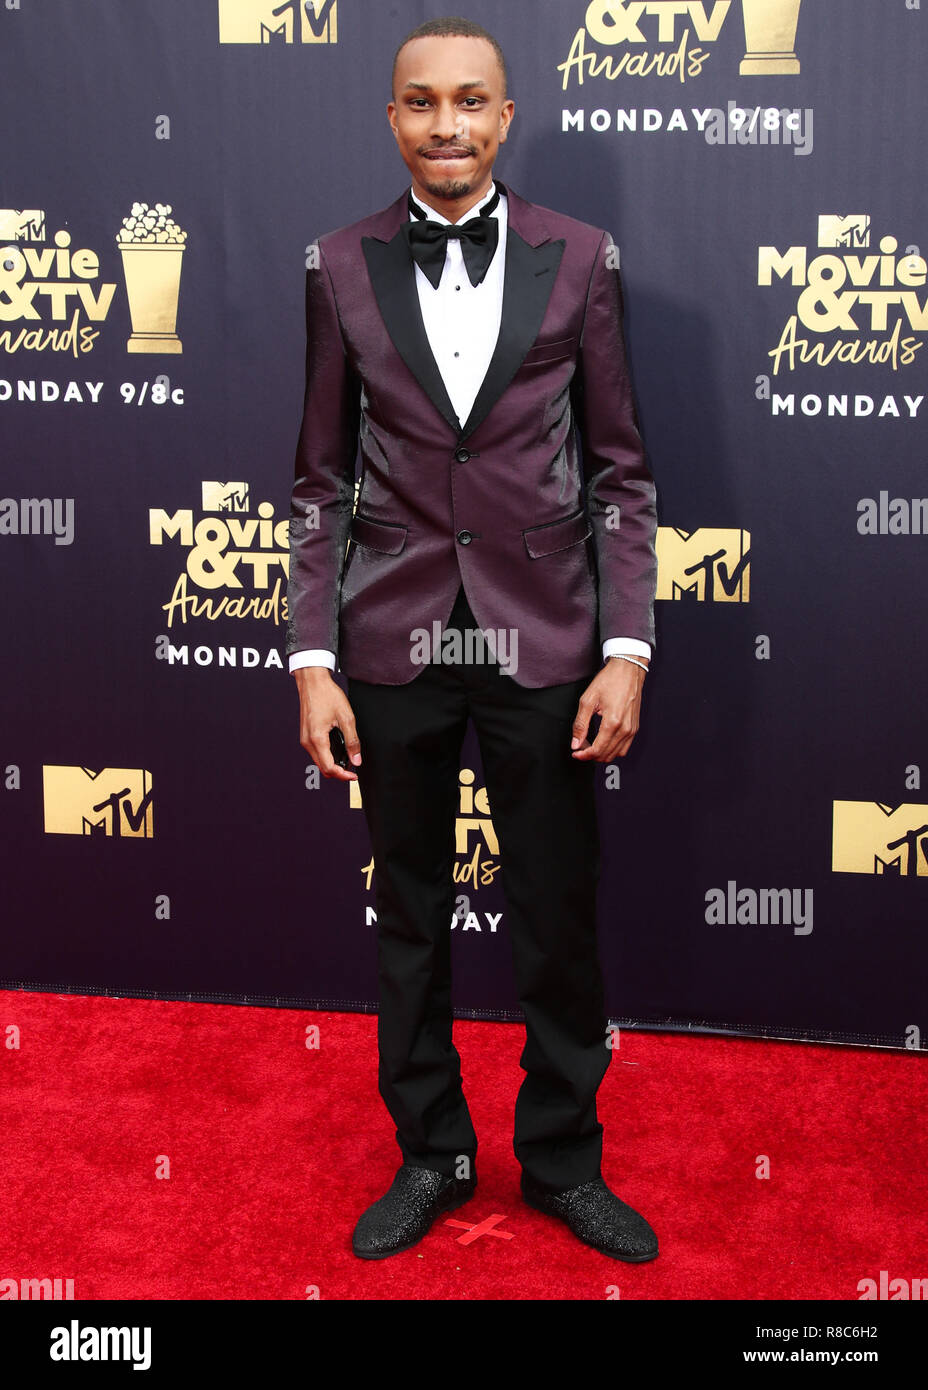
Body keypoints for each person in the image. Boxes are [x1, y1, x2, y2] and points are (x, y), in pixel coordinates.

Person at [286, 16, 659, 1264]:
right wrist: (311, 657)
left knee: (556, 915)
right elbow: (316, 483)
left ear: (507, 116)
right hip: (390, 642)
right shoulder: (337, 264)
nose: (447, 124)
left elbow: (621, 473)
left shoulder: (583, 257)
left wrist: (627, 647)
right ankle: (433, 1152)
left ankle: (559, 1160)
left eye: (471, 103)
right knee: (410, 914)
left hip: (545, 644)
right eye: (421, 102)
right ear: (390, 117)